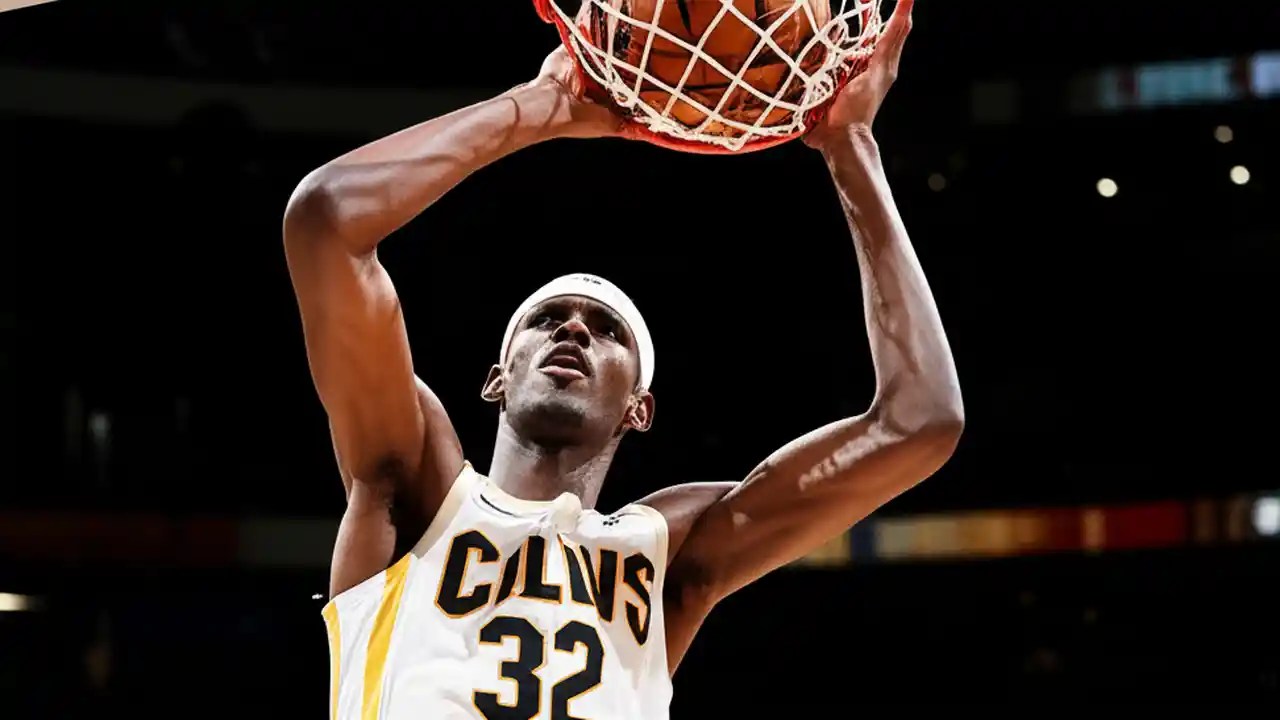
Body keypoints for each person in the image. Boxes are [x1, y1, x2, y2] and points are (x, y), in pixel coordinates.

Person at [283, 1, 958, 717]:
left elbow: (920, 424)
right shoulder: (414, 492)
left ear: (640, 405)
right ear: (495, 378)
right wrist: (541, 106)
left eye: (607, 331)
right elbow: (326, 224)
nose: (571, 331)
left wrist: (851, 148)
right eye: (544, 321)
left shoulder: (663, 552)